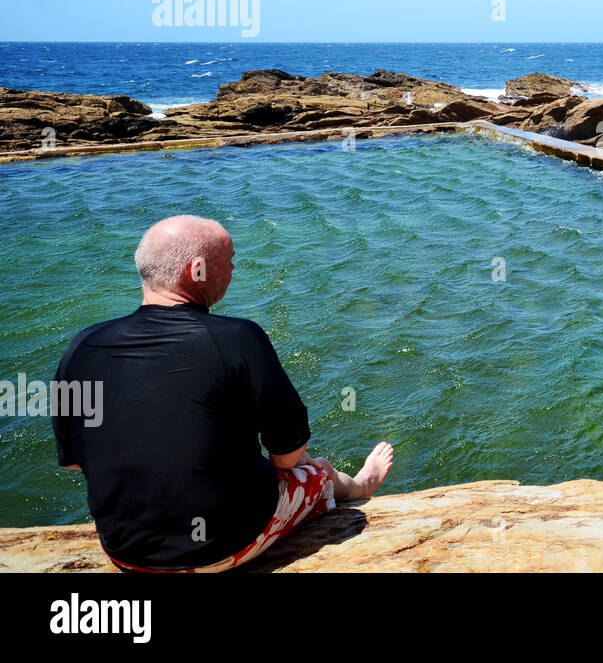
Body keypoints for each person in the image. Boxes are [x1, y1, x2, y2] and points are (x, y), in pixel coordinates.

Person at [52, 214, 393, 572]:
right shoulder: (239, 337)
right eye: (229, 260)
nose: (233, 270)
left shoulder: (81, 346)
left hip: (123, 550)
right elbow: (288, 455)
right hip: (221, 547)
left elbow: (75, 461)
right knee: (314, 470)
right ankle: (359, 485)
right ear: (197, 270)